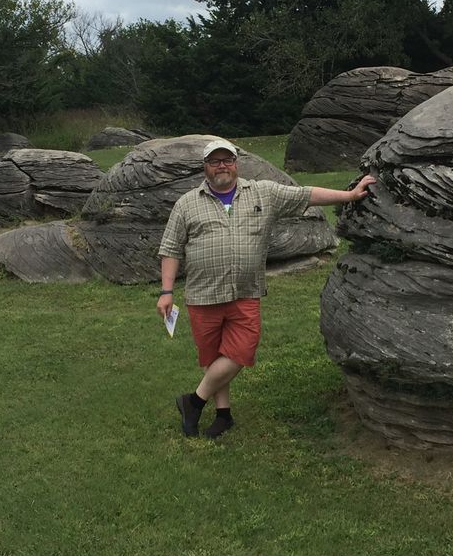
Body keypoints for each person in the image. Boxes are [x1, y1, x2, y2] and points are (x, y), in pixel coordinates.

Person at [156, 137, 375, 439]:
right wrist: (166, 291)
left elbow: (306, 194)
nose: (222, 166)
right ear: (205, 167)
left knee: (241, 351)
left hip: (246, 292)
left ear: (236, 164)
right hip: (203, 295)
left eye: (227, 160)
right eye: (215, 161)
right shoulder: (187, 203)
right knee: (213, 358)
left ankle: (193, 402)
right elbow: (170, 249)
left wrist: (349, 196)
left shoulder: (263, 192)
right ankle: (223, 416)